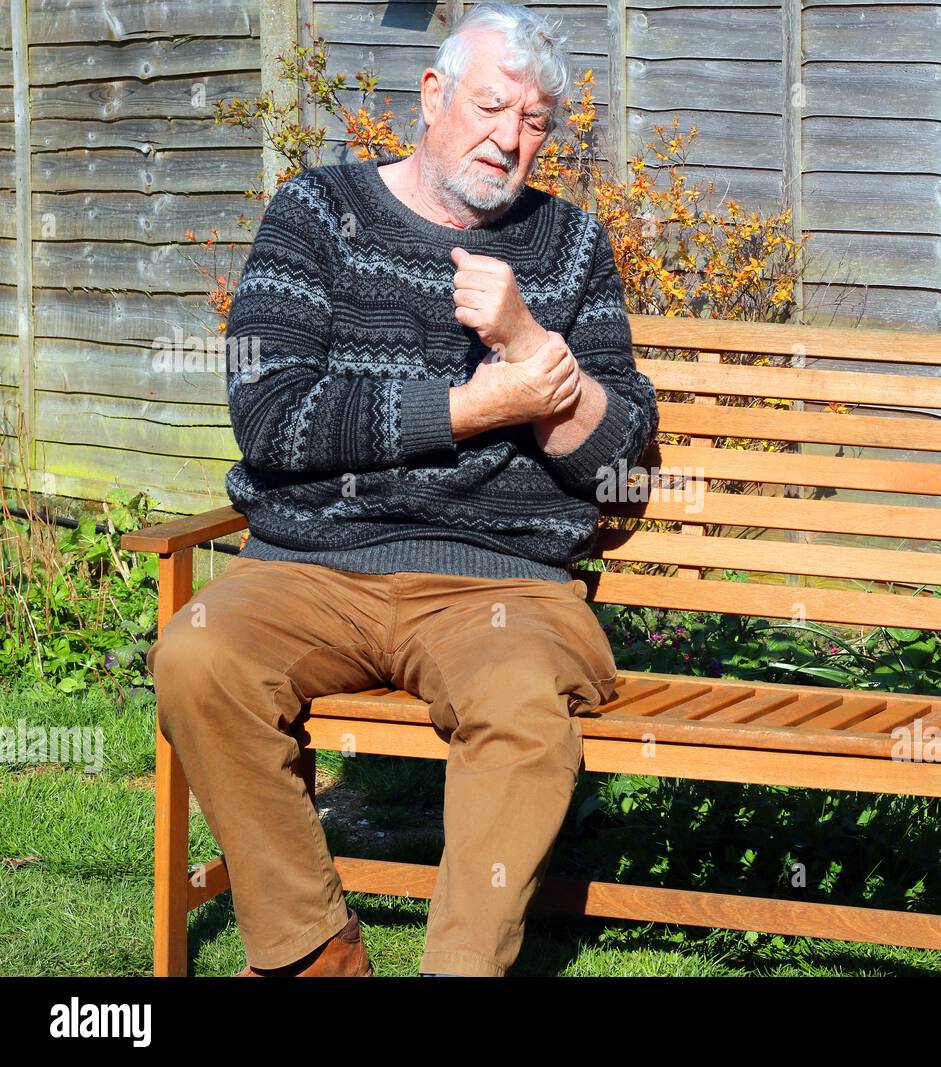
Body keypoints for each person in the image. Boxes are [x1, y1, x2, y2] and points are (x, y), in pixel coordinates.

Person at [146, 2, 659, 978]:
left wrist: (526, 347)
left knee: (521, 709)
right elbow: (272, 414)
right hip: (311, 567)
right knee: (197, 659)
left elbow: (621, 460)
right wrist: (470, 406)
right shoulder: (316, 213)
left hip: (500, 583)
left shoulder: (571, 247)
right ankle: (313, 949)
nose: (509, 138)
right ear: (432, 96)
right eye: (491, 106)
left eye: (536, 120)